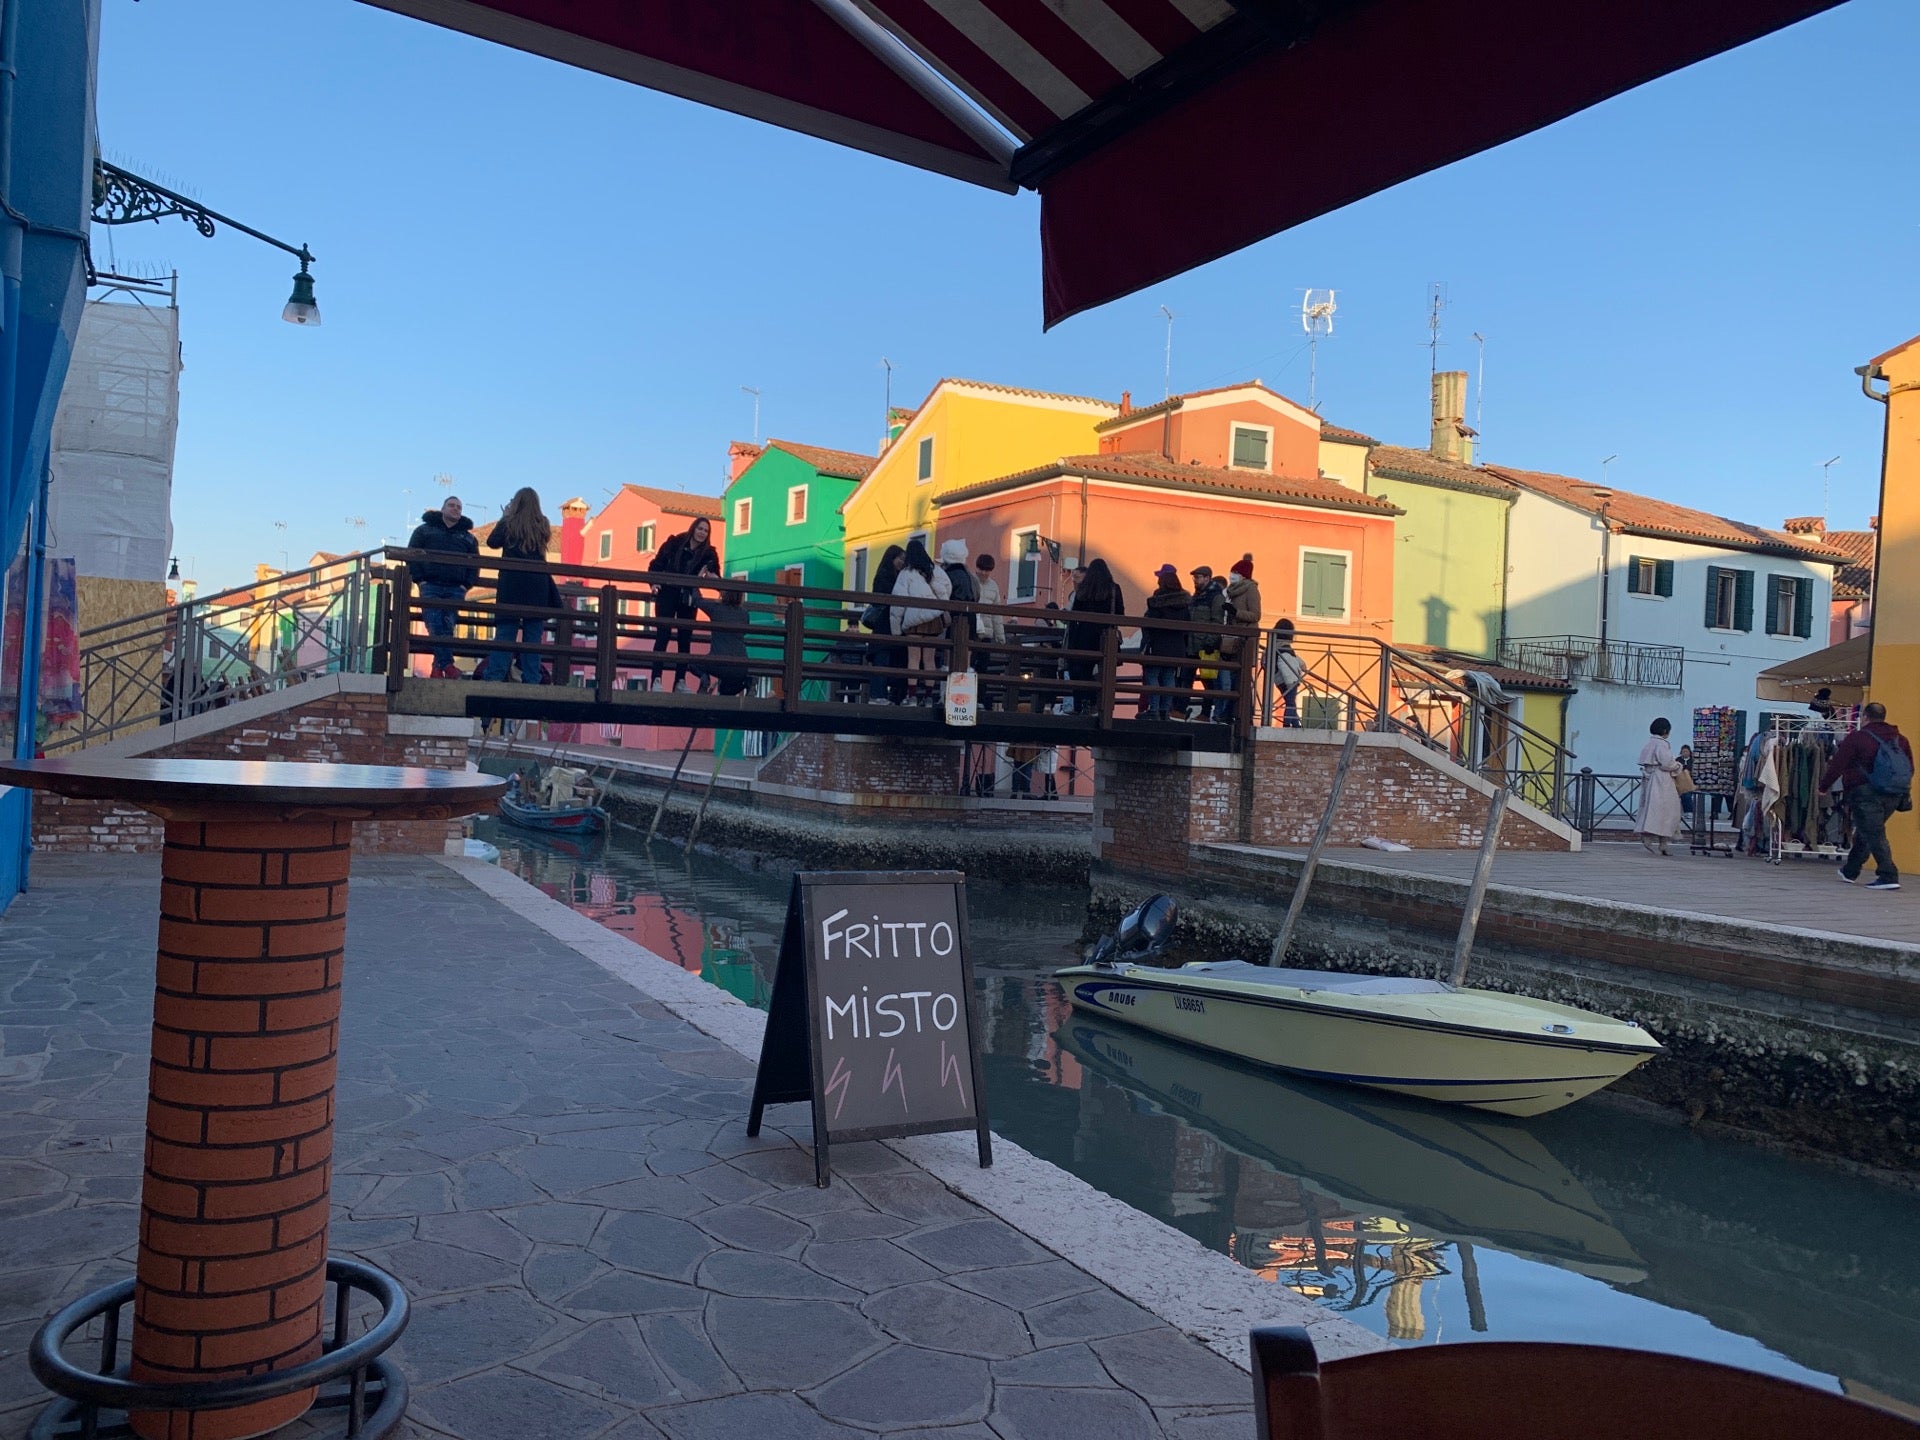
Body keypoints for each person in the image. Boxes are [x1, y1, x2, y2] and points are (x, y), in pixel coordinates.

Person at [1822, 701, 1915, 890]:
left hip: (1864, 792)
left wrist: (1823, 786)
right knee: (1868, 830)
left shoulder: (1857, 738)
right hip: (1893, 794)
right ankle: (1850, 870)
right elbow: (1909, 767)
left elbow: (1838, 764)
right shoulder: (1900, 739)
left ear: (1864, 717)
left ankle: (1888, 875)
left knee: (1874, 832)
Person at [479, 488, 563, 683]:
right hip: (537, 584)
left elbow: (492, 542)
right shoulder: (543, 524)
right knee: (533, 637)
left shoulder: (509, 523)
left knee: (505, 634)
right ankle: (531, 680)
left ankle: (494, 678)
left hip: (511, 584)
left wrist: (504, 516)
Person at [405, 495, 479, 678]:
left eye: (459, 507)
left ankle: (438, 668)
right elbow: (411, 555)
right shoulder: (424, 531)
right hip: (430, 584)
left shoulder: (468, 539)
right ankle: (447, 665)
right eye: (452, 505)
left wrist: (466, 584)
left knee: (446, 625)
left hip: (455, 587)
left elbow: (475, 564)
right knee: (435, 622)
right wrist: (420, 579)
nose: (456, 509)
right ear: (443, 508)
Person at [649, 515, 719, 690]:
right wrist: (654, 583)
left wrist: (710, 577)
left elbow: (716, 575)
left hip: (689, 596)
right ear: (693, 528)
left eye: (706, 530)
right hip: (668, 593)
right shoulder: (675, 543)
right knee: (663, 635)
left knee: (684, 638)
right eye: (700, 528)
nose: (702, 533)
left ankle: (680, 681)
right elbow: (656, 565)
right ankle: (656, 679)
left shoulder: (709, 553)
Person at [892, 537, 952, 705]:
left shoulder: (906, 574)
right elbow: (947, 587)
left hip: (913, 622)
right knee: (929, 659)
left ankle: (911, 696)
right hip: (933, 619)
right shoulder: (936, 570)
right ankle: (928, 697)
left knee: (913, 658)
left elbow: (898, 602)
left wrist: (895, 629)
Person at [1062, 559, 1123, 716]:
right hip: (1105, 636)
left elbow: (1075, 613)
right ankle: (1101, 706)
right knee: (1104, 673)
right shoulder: (1114, 589)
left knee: (1082, 671)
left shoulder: (1083, 589)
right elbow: (1120, 613)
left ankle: (1082, 704)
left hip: (1084, 636)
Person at [1141, 565, 1192, 720]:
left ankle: (1154, 710)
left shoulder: (1157, 601)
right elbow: (1188, 625)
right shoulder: (1184, 603)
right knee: (1169, 677)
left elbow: (1149, 623)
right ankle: (1165, 710)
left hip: (1157, 645)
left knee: (1152, 676)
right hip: (1176, 647)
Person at [1217, 555, 1261, 723]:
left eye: (1235, 572)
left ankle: (1244, 715)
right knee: (1232, 677)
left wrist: (1236, 612)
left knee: (1241, 678)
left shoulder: (1251, 590)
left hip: (1245, 640)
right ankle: (1231, 713)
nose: (1232, 575)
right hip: (1232, 639)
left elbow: (1256, 614)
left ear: (1243, 575)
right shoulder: (1230, 591)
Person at [1636, 717, 1686, 856]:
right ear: (1665, 731)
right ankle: (1662, 842)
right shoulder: (1662, 745)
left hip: (1650, 778)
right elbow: (1667, 763)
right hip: (1661, 781)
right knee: (1667, 810)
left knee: (1650, 809)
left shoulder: (1649, 744)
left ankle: (1648, 836)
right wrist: (1678, 766)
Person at [865, 544, 906, 703]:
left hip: (888, 624)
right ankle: (877, 695)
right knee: (882, 658)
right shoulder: (885, 576)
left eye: (903, 560)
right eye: (899, 559)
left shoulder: (891, 575)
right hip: (884, 624)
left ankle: (882, 695)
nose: (901, 562)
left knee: (886, 658)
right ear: (892, 558)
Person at [1187, 564, 1229, 720]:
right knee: (1188, 678)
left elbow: (1217, 621)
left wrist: (1210, 642)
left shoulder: (1215, 597)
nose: (1195, 580)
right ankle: (1185, 710)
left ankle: (1206, 713)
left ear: (1207, 578)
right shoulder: (1197, 596)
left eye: (1197, 577)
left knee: (1209, 682)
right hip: (1192, 645)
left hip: (1205, 646)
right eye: (1194, 577)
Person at [693, 585, 751, 696]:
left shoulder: (716, 609)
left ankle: (704, 678)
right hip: (741, 667)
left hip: (718, 662)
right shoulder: (744, 614)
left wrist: (696, 582)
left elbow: (697, 600)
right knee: (725, 690)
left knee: (691, 662)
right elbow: (744, 632)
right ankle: (747, 682)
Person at [1268, 618, 1305, 727]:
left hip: (1280, 680)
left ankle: (1296, 725)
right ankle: (1287, 725)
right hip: (1289, 681)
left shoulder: (1274, 646)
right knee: (1291, 703)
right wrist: (1291, 682)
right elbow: (1285, 665)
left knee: (1291, 703)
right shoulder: (1284, 649)